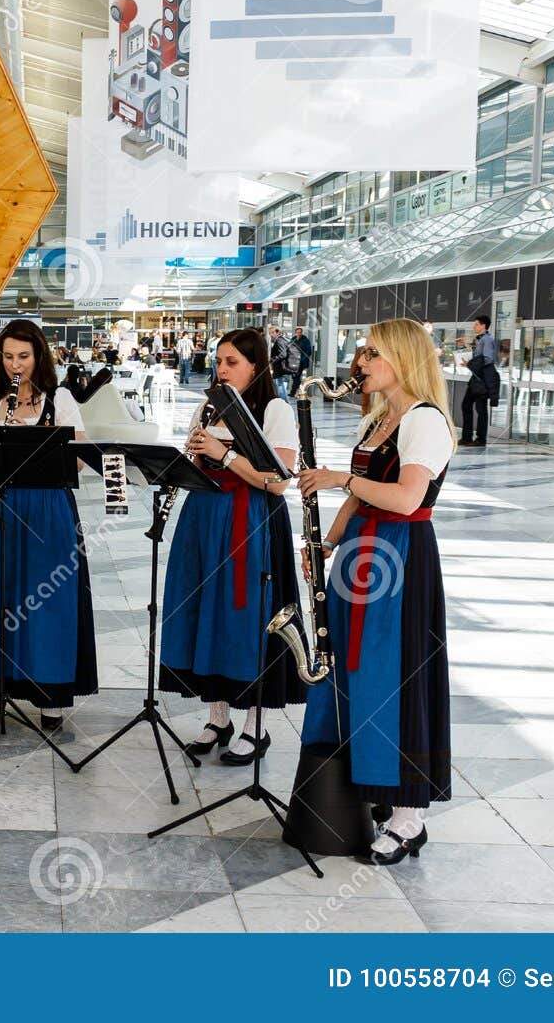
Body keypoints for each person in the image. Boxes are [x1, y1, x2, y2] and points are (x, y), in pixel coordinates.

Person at [296, 318, 454, 866]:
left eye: (371, 353)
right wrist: (326, 543)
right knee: (357, 669)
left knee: (394, 672)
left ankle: (409, 817)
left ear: (403, 359)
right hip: (363, 552)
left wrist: (341, 478)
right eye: (361, 352)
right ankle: (374, 784)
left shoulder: (424, 420)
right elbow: (360, 498)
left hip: (400, 554)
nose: (359, 362)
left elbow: (407, 498)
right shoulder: (379, 418)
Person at [159, 328, 304, 763]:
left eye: (232, 362)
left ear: (256, 366)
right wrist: (192, 459)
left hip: (251, 519)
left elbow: (278, 482)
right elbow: (196, 466)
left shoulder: (274, 409)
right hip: (204, 516)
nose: (221, 370)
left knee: (250, 615)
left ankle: (256, 726)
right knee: (208, 610)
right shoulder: (208, 407)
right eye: (219, 361)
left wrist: (224, 455)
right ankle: (217, 717)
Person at [0, 319, 97, 730]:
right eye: (9, 357)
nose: (16, 365)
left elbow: (80, 460)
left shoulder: (59, 398)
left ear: (39, 357)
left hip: (46, 509)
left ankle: (49, 692)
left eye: (24, 356)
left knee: (46, 598)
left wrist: (41, 442)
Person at [459, 314, 497, 447]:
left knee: (481, 409)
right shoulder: (479, 339)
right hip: (475, 378)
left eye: (476, 324)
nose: (474, 326)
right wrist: (464, 351)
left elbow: (487, 359)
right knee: (466, 405)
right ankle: (466, 437)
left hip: (482, 380)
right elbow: (476, 356)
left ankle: (481, 439)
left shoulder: (487, 340)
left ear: (483, 326)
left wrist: (470, 363)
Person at [269, 325, 298, 400]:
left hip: (281, 368)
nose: (270, 335)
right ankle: (284, 402)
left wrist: (272, 360)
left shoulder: (279, 341)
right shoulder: (283, 340)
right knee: (281, 385)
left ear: (277, 332)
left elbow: (283, 354)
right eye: (270, 333)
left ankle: (284, 402)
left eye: (271, 333)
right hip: (283, 367)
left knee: (280, 386)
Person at [292, 325, 315, 390]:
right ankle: (297, 390)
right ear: (295, 333)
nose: (298, 334)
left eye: (300, 332)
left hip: (301, 362)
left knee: (297, 376)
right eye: (297, 332)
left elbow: (309, 351)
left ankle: (294, 391)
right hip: (293, 362)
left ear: (302, 333)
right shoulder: (293, 339)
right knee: (294, 377)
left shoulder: (305, 340)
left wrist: (301, 359)